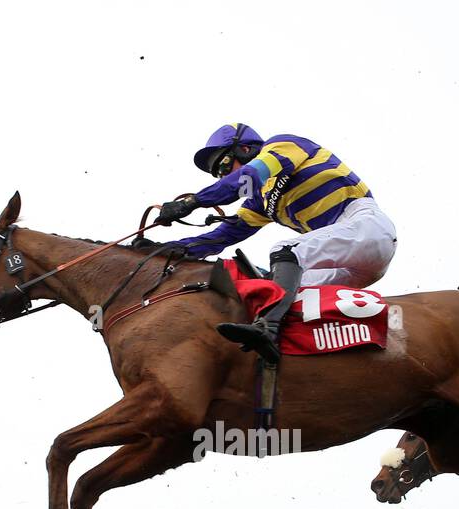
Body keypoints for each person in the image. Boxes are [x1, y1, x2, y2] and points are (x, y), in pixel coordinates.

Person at [153, 123, 397, 363]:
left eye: (225, 165)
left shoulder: (284, 145)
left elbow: (245, 178)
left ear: (245, 149)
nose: (224, 175)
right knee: (271, 286)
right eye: (218, 173)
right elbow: (222, 236)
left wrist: (192, 202)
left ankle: (267, 328)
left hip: (365, 226)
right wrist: (168, 250)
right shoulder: (260, 201)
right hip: (341, 263)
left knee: (284, 250)